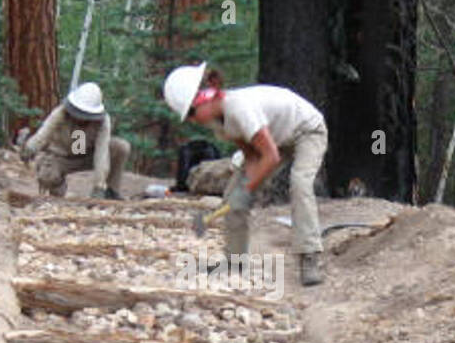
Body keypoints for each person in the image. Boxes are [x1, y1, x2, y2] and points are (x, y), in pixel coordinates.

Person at [163, 63, 328, 286]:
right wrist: (241, 193)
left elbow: (271, 157)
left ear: (205, 98)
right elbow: (251, 155)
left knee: (300, 184)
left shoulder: (239, 109)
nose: (193, 120)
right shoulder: (218, 122)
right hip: (274, 139)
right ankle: (235, 261)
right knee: (232, 196)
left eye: (191, 113)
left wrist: (248, 189)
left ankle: (309, 257)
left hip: (307, 131)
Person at [19, 82, 131, 198]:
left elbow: (102, 153)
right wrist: (30, 148)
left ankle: (111, 192)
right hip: (61, 157)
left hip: (86, 155)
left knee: (121, 147)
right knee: (46, 174)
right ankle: (58, 192)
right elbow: (44, 133)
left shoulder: (103, 121)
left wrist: (99, 186)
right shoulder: (61, 112)